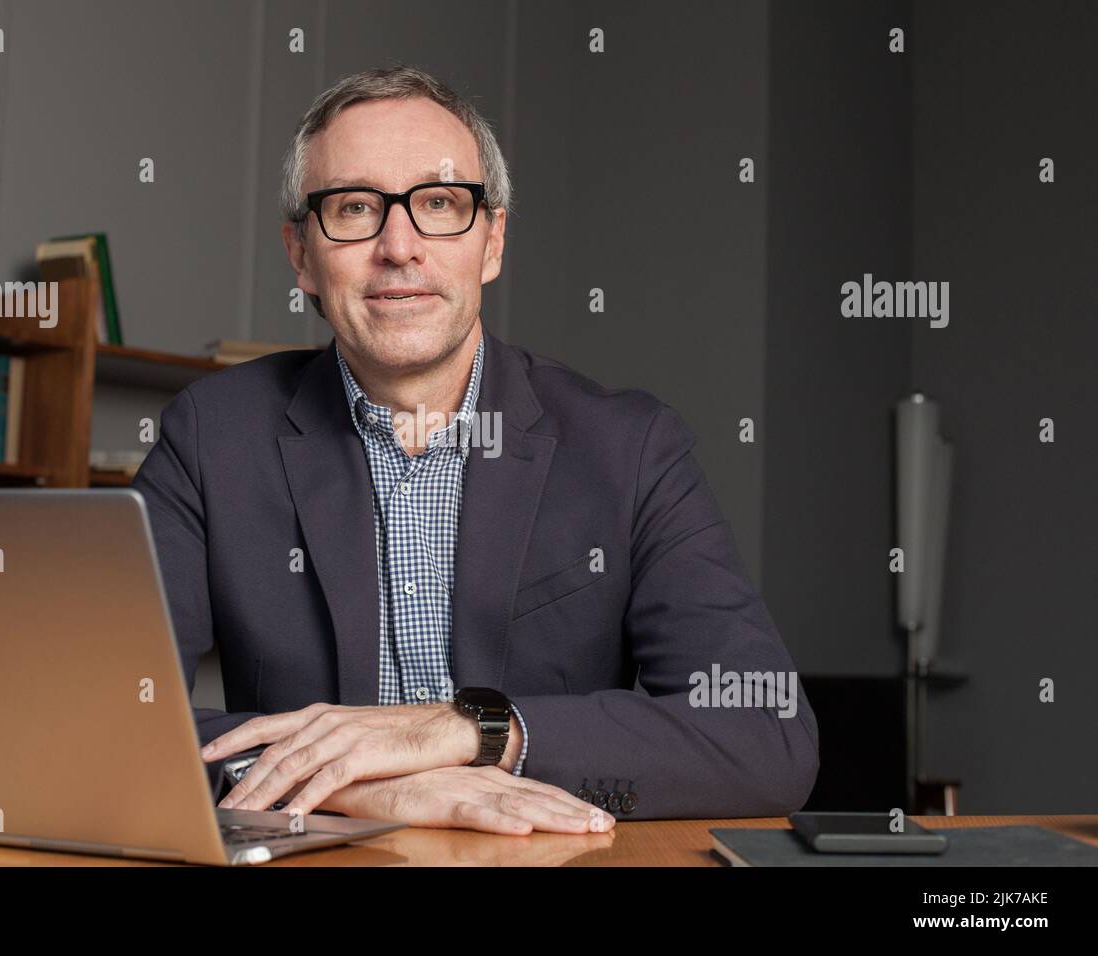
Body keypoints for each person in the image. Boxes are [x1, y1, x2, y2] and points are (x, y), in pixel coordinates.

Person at [133, 64, 818, 836]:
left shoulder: (628, 447)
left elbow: (767, 737)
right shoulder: (211, 436)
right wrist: (355, 788)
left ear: (491, 242)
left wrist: (474, 732)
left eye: (439, 204)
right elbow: (94, 711)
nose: (400, 246)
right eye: (354, 207)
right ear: (301, 255)